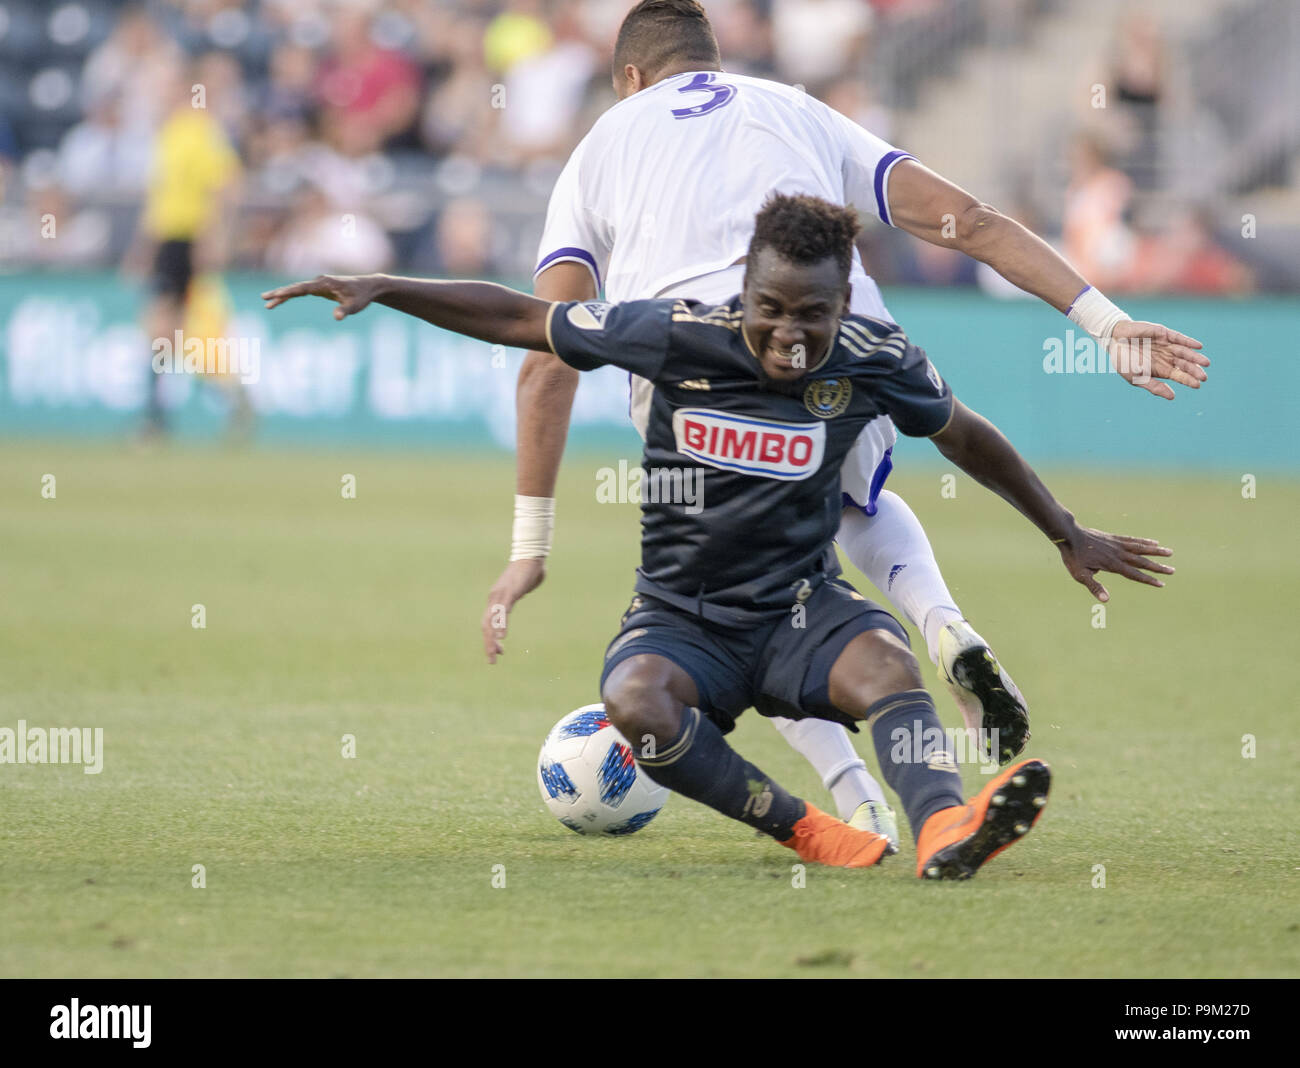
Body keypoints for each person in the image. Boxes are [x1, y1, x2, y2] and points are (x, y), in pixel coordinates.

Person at [260, 193, 1177, 878]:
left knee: (891, 672)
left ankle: (944, 827)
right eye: (771, 308)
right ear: (744, 291)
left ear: (843, 302)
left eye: (813, 315)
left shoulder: (873, 359)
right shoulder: (673, 336)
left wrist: (1064, 531)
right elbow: (519, 318)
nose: (789, 336)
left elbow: (966, 437)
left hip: (801, 610)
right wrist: (387, 287)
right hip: (679, 615)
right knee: (634, 700)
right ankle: (806, 829)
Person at [482, 0, 1207, 844]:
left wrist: (528, 546)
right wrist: (1107, 325)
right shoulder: (796, 108)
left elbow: (545, 352)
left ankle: (854, 797)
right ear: (716, 59)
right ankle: (941, 623)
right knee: (853, 507)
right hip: (836, 334)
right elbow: (967, 221)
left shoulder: (600, 145)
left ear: (630, 80)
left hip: (693, 358)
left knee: (738, 603)